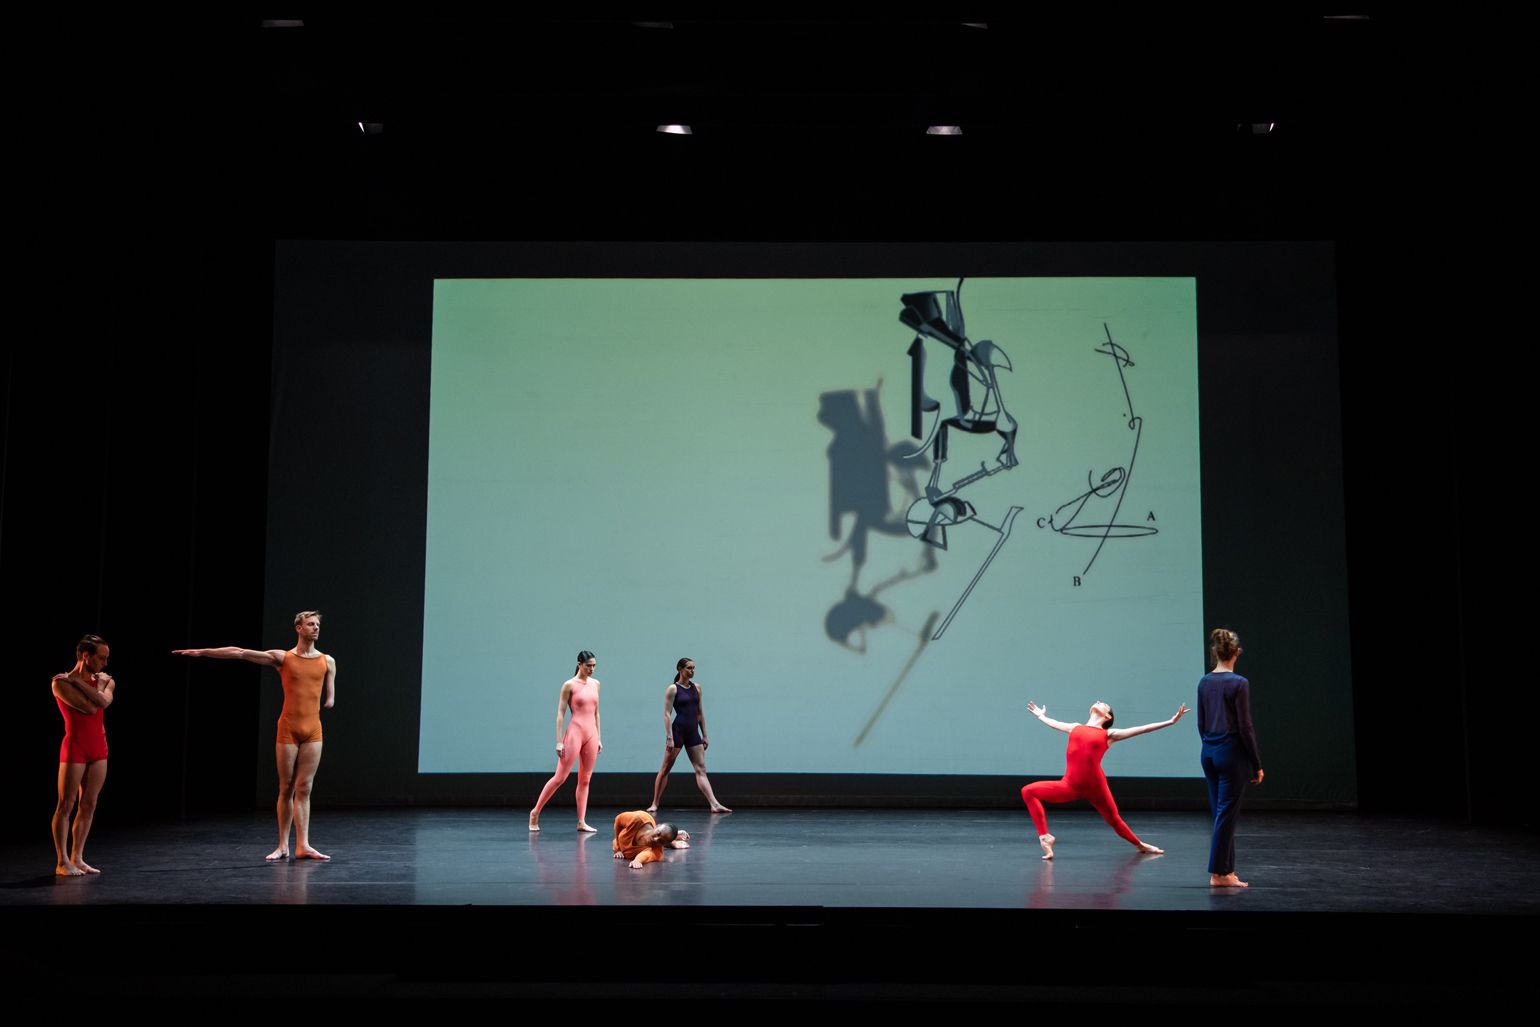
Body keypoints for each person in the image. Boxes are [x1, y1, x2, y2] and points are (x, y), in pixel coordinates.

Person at [174, 611, 335, 861]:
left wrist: (330, 700)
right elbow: (240, 652)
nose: (316, 628)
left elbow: (329, 693)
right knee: (286, 786)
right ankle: (283, 845)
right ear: (298, 628)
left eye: (318, 625)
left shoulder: (327, 660)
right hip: (288, 729)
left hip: (313, 730)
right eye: (311, 624)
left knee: (305, 788)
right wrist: (203, 651)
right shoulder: (282, 658)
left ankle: (303, 845)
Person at [1022, 698, 1189, 859]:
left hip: (1096, 786)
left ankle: (1140, 845)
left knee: (1115, 820)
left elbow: (1143, 729)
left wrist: (1170, 721)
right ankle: (1045, 837)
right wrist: (1040, 715)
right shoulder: (1075, 727)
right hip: (1070, 785)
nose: (1098, 701)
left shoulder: (1109, 734)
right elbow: (1054, 723)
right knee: (1028, 791)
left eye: (1103, 704)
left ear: (1107, 716)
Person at [1197, 628, 1263, 888]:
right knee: (1226, 815)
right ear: (1236, 653)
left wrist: (1210, 746)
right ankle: (1218, 874)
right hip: (1231, 754)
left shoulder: (1204, 681)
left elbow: (1202, 724)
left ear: (1215, 653)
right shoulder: (1239, 683)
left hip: (1209, 753)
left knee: (1220, 813)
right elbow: (1245, 727)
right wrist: (1256, 763)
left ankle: (1227, 870)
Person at [51, 635, 114, 876]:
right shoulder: (60, 683)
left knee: (90, 804)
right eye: (101, 658)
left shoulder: (106, 681)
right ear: (86, 656)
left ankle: (78, 857)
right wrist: (83, 684)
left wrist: (86, 685)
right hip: (75, 747)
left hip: (99, 747)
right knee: (66, 804)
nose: (105, 664)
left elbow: (104, 704)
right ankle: (62, 860)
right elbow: (89, 707)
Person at [529, 650, 603, 832]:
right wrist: (559, 741)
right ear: (579, 664)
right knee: (560, 777)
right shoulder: (569, 685)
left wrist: (599, 737)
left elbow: (596, 712)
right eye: (588, 666)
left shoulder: (596, 684)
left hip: (591, 734)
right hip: (574, 733)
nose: (591, 669)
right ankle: (535, 812)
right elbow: (560, 714)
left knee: (585, 779)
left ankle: (581, 821)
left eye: (594, 665)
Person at [646, 657, 731, 814]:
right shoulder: (673, 689)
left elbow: (700, 713)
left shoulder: (697, 688)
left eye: (694, 668)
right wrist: (670, 737)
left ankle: (714, 804)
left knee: (701, 769)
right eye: (689, 668)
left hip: (693, 733)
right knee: (665, 768)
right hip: (678, 731)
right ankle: (655, 803)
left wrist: (705, 734)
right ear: (680, 669)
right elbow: (666, 714)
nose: (692, 671)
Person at [611, 810, 691, 869]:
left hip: (660, 840)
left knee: (663, 838)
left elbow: (648, 855)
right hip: (640, 821)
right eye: (658, 833)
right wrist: (618, 849)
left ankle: (673, 841)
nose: (655, 839)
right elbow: (618, 819)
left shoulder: (657, 851)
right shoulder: (636, 819)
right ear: (657, 826)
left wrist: (638, 860)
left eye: (661, 841)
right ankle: (674, 840)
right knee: (663, 835)